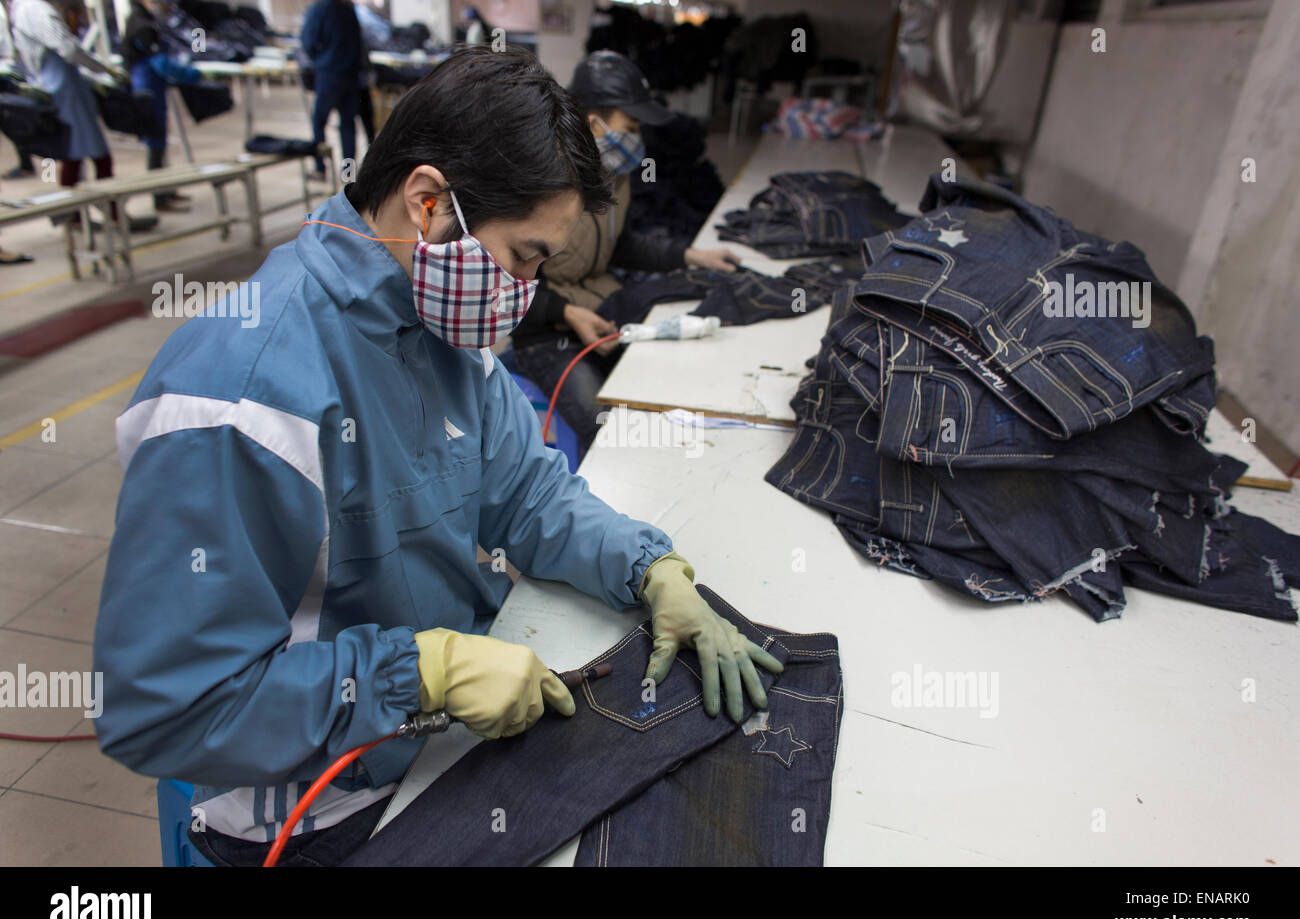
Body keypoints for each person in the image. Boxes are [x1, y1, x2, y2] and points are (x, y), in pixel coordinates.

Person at [92, 46, 781, 867]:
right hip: (324, 801)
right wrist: (420, 673)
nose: (525, 290)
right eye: (524, 256)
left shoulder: (441, 329)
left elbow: (527, 497)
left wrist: (650, 570)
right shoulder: (242, 397)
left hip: (436, 738)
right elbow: (165, 707)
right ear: (428, 204)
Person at [509, 50, 739, 456]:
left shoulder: (614, 174)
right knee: (608, 434)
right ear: (591, 122)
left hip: (603, 308)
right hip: (546, 333)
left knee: (665, 390)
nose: (637, 139)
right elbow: (504, 282)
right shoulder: (540, 182)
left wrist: (691, 256)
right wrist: (566, 314)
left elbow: (621, 245)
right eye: (629, 127)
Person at [11, 0, 152, 231]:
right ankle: (103, 215)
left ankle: (82, 215)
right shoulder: (35, 8)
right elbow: (68, 49)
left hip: (64, 84)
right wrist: (101, 68)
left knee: (75, 156)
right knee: (93, 156)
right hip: (65, 89)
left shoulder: (26, 8)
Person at [122, 0, 196, 212]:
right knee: (155, 145)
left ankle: (166, 191)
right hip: (146, 91)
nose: (166, 7)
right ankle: (159, 197)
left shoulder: (147, 21)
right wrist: (190, 75)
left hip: (154, 88)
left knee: (160, 144)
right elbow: (160, 64)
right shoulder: (141, 24)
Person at [300, 0, 361, 182]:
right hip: (350, 74)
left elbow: (308, 41)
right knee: (348, 126)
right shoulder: (348, 9)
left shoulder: (320, 9)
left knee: (319, 122)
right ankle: (348, 173)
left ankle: (320, 168)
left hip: (329, 74)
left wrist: (320, 60)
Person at [0, 0, 38, 178]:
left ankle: (30, 165)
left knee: (14, 121)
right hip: (13, 69)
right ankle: (27, 163)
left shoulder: (28, 7)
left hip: (8, 71)